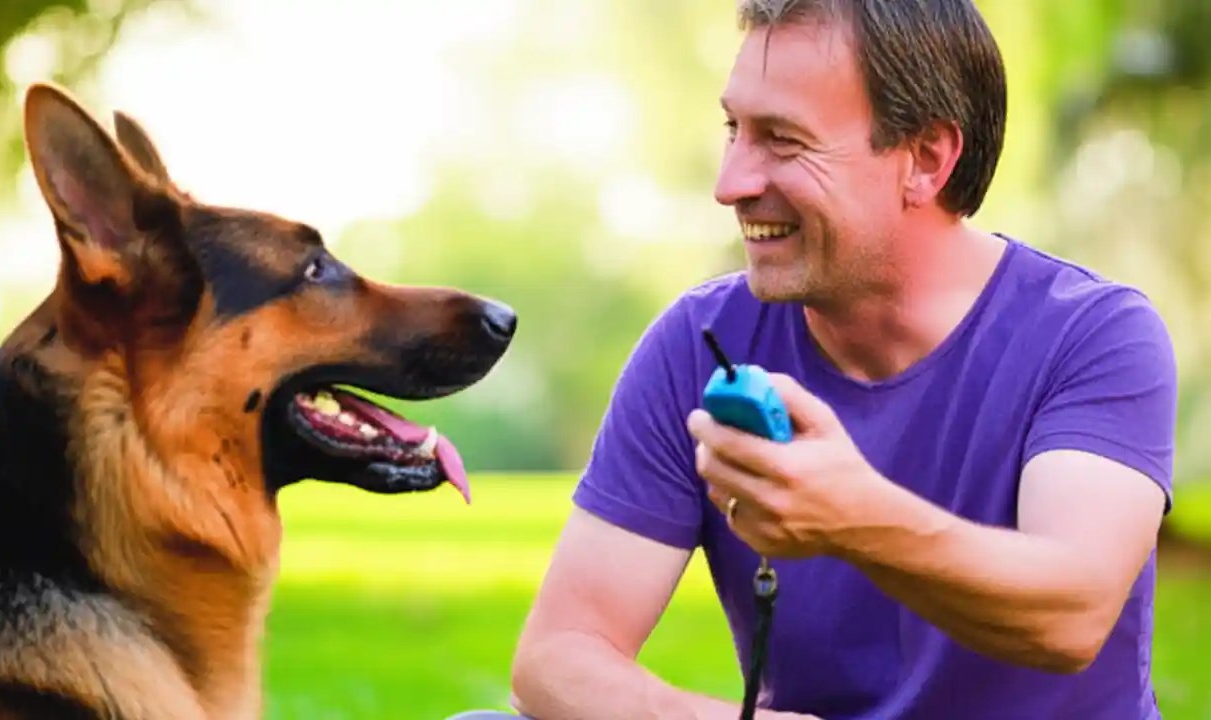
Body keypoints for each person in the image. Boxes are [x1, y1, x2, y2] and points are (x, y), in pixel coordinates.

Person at [452, 0, 1178, 718]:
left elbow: (1071, 615)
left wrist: (853, 515)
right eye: (734, 129)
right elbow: (557, 658)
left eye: (783, 140)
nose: (731, 184)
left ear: (926, 160)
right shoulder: (698, 344)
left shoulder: (1093, 335)